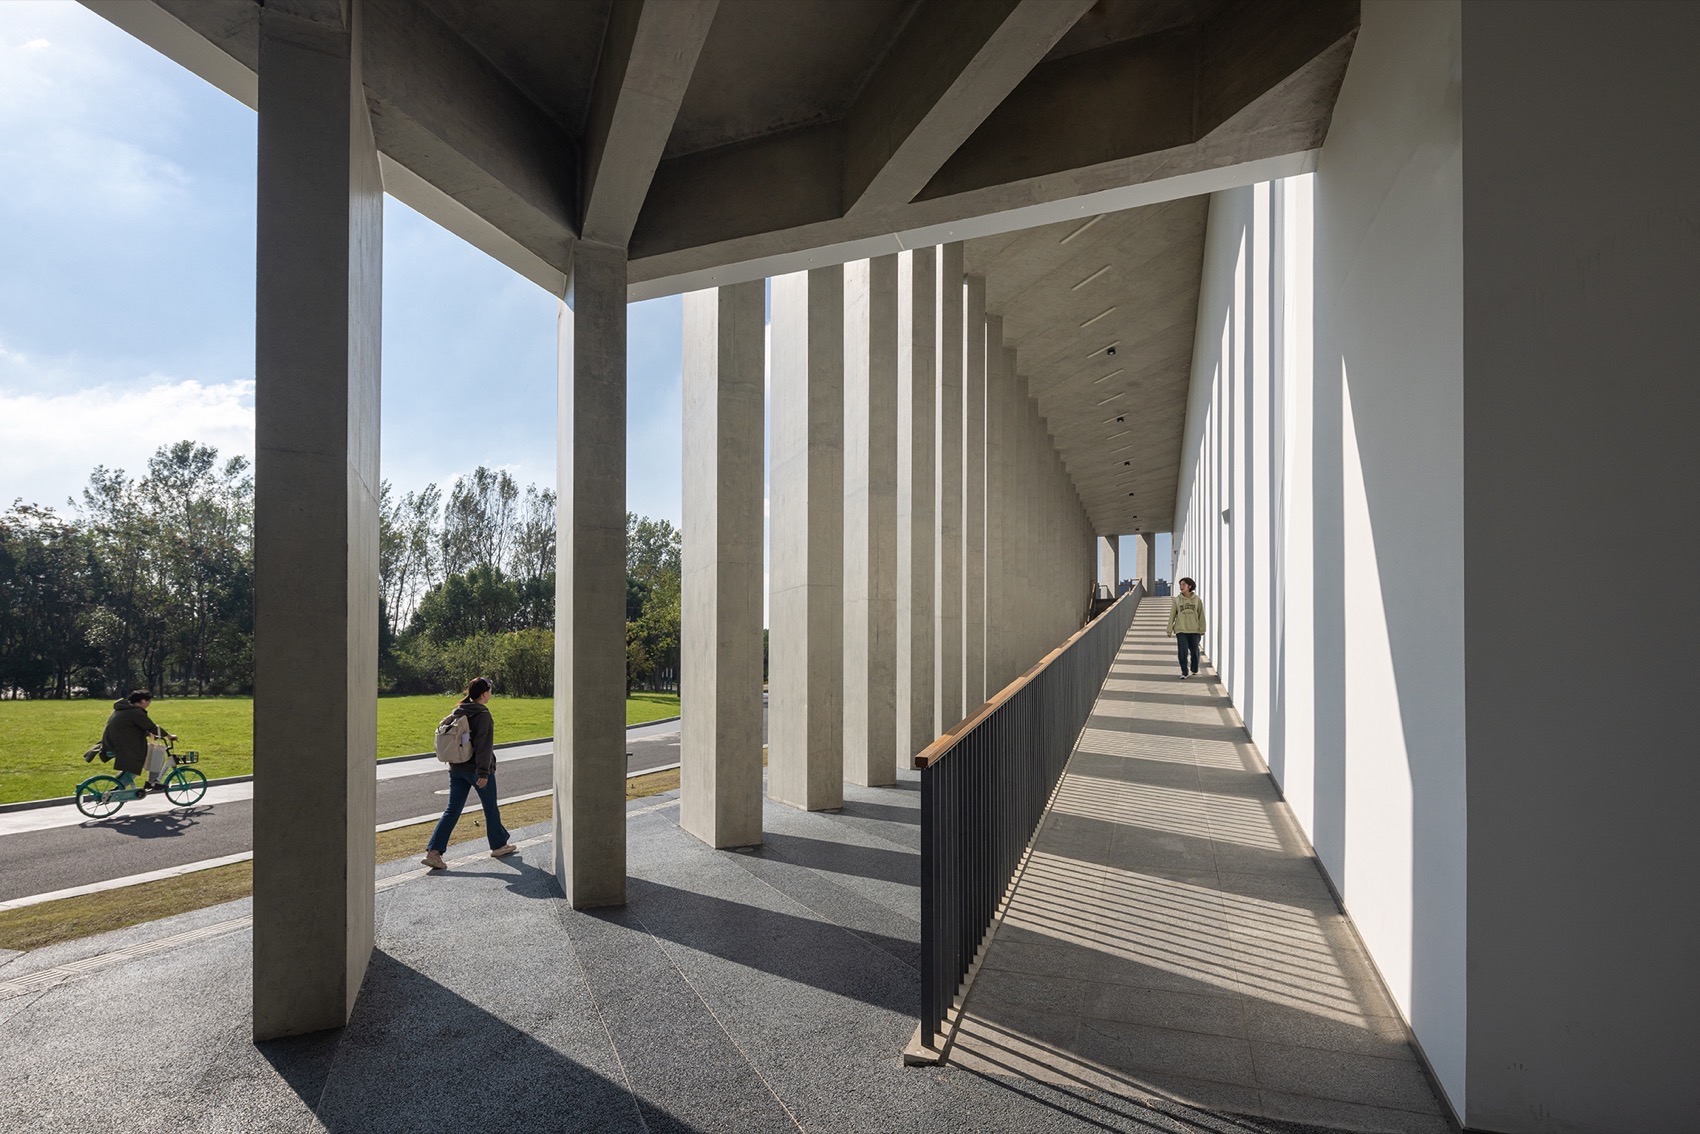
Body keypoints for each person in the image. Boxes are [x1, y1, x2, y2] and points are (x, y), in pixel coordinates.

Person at [422, 677, 516, 869]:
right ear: (484, 694)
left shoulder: (459, 711)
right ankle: (498, 845)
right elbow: (484, 747)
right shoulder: (482, 715)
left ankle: (433, 852)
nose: (491, 693)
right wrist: (483, 773)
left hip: (456, 769)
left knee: (452, 810)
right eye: (490, 690)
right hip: (476, 770)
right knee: (490, 807)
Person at [100, 690, 174, 793]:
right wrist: (168, 736)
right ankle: (120, 789)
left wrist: (148, 734)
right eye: (149, 701)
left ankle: (124, 786)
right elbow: (151, 726)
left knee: (141, 759)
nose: (149, 704)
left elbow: (131, 727)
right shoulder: (135, 712)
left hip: (112, 744)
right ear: (143, 701)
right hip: (122, 746)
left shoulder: (123, 709)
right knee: (142, 760)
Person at [1167, 577, 1207, 679]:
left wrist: (1202, 629)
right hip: (1181, 630)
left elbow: (1201, 614)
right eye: (1180, 585)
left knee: (1194, 651)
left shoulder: (1197, 600)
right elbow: (1172, 615)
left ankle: (1194, 668)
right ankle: (1184, 672)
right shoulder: (1177, 600)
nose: (1181, 587)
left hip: (1194, 630)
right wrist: (1169, 629)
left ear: (1189, 586)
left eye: (1183, 584)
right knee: (1182, 651)